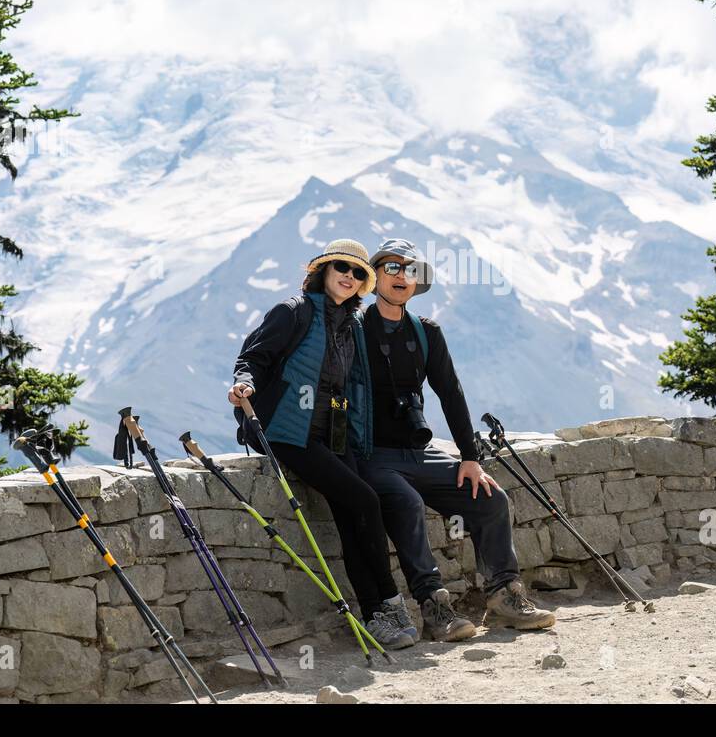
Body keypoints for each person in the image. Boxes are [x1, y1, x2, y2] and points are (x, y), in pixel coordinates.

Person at [360, 237, 555, 641]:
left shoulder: (427, 332)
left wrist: (470, 457)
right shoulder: (354, 329)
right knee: (407, 503)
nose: (401, 276)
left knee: (490, 499)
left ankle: (503, 599)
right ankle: (435, 608)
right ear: (374, 276)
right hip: (372, 455)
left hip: (421, 452)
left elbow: (450, 392)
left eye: (409, 269)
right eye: (391, 267)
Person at [227, 238, 414, 649]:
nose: (349, 277)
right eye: (341, 268)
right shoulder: (293, 311)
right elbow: (253, 357)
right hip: (287, 433)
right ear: (323, 272)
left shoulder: (350, 324)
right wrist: (244, 383)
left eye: (358, 273)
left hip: (333, 435)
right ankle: (388, 602)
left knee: (352, 517)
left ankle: (374, 616)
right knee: (366, 501)